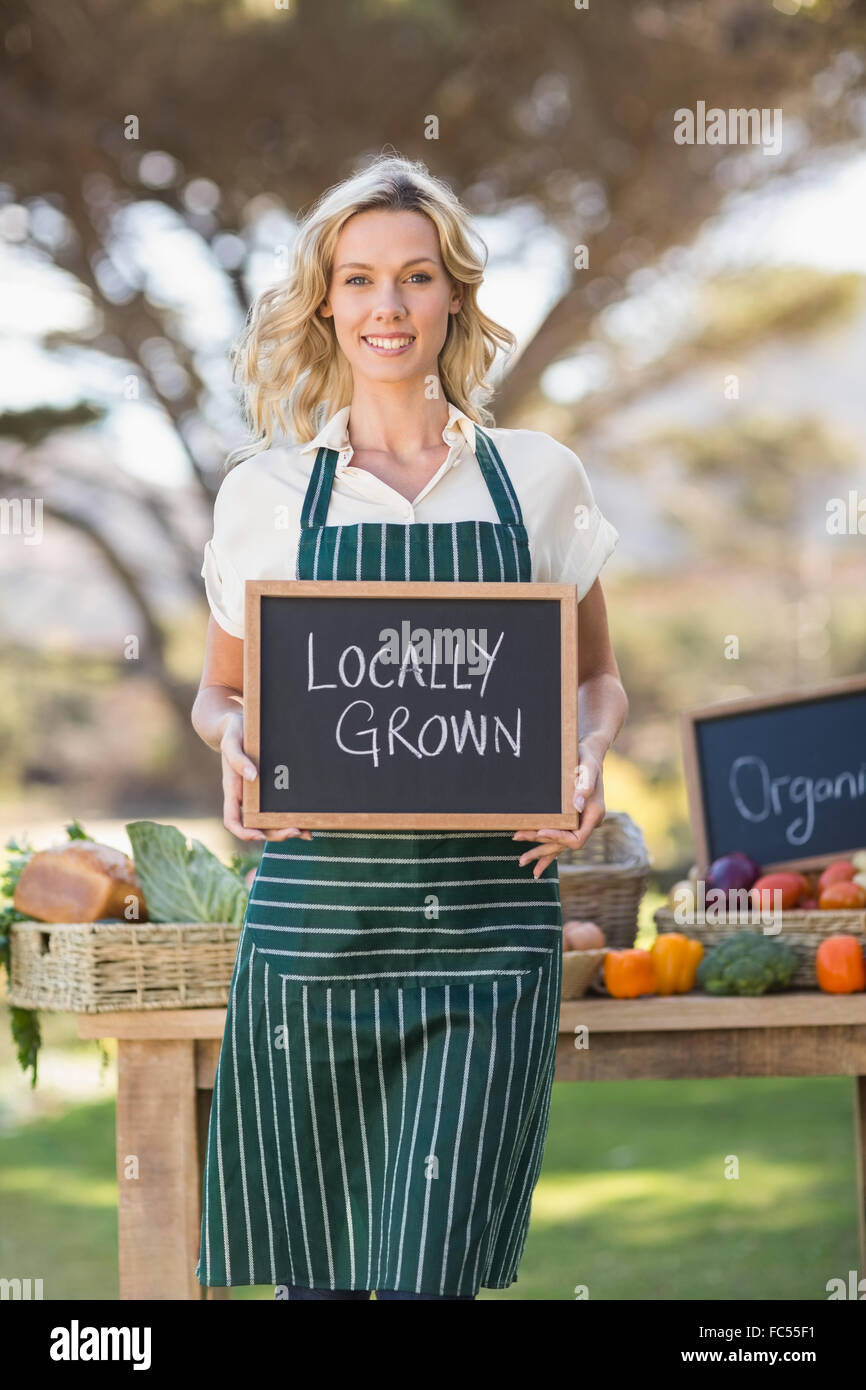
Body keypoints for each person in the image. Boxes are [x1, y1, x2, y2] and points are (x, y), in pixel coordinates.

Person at [191, 152, 628, 1301]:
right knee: (318, 1279)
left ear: (455, 297)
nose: (387, 307)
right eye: (359, 280)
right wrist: (227, 742)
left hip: (485, 944)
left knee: (429, 1276)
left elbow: (596, 682)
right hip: (313, 936)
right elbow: (220, 692)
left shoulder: (536, 479)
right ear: (325, 304)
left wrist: (585, 756)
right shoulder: (265, 494)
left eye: (417, 277)